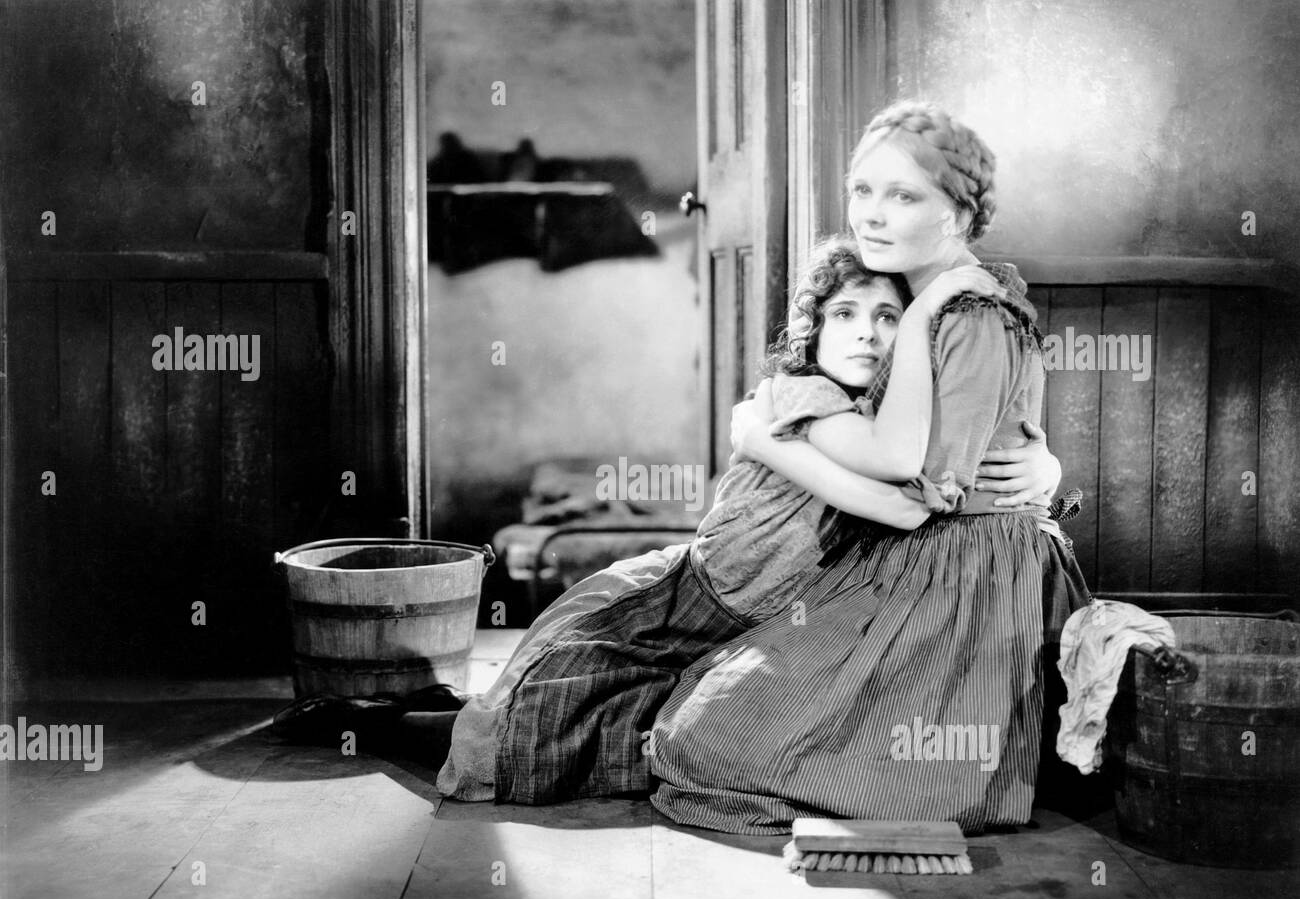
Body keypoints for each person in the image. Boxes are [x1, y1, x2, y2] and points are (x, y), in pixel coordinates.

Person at [273, 236, 1063, 805]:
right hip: (686, 602)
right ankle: (367, 722)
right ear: (812, 333)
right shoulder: (804, 401)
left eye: (887, 318)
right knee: (551, 708)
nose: (865, 332)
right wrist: (762, 434)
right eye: (846, 314)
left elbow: (940, 455)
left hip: (757, 628)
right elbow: (904, 497)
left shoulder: (882, 417)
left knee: (611, 729)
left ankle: (438, 714)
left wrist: (1046, 469)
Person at [646, 101, 1093, 835]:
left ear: (957, 214)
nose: (873, 216)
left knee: (709, 738)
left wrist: (767, 436)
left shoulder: (966, 311)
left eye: (905, 195)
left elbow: (919, 479)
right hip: (917, 553)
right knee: (700, 710)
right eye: (863, 190)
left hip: (963, 574)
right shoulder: (927, 294)